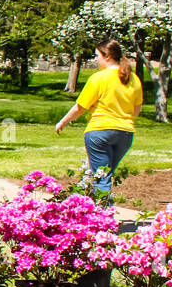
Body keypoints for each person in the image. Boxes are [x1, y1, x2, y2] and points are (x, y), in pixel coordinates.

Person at [54, 38, 144, 197]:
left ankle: (102, 218)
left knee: (101, 176)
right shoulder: (134, 79)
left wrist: (62, 122)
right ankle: (100, 210)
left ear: (107, 56)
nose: (96, 59)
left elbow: (80, 107)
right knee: (106, 174)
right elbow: (136, 111)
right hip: (125, 134)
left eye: (98, 55)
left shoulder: (99, 78)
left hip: (99, 132)